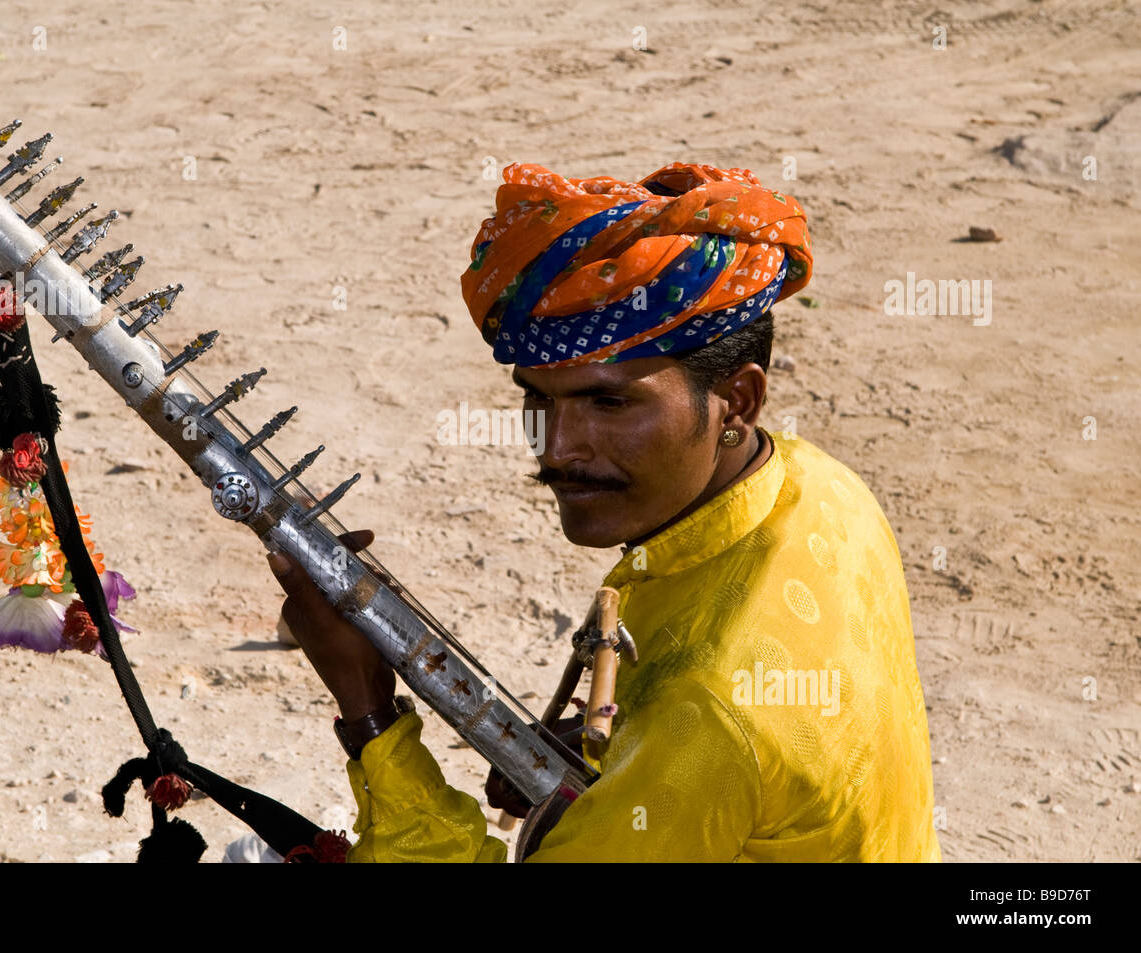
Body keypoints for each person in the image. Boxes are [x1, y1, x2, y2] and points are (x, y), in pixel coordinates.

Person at [267, 161, 940, 862]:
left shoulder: (706, 718)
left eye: (609, 402)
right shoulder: (822, 486)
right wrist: (628, 754)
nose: (556, 447)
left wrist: (369, 711)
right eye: (540, 399)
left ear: (737, 401)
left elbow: (713, 732)